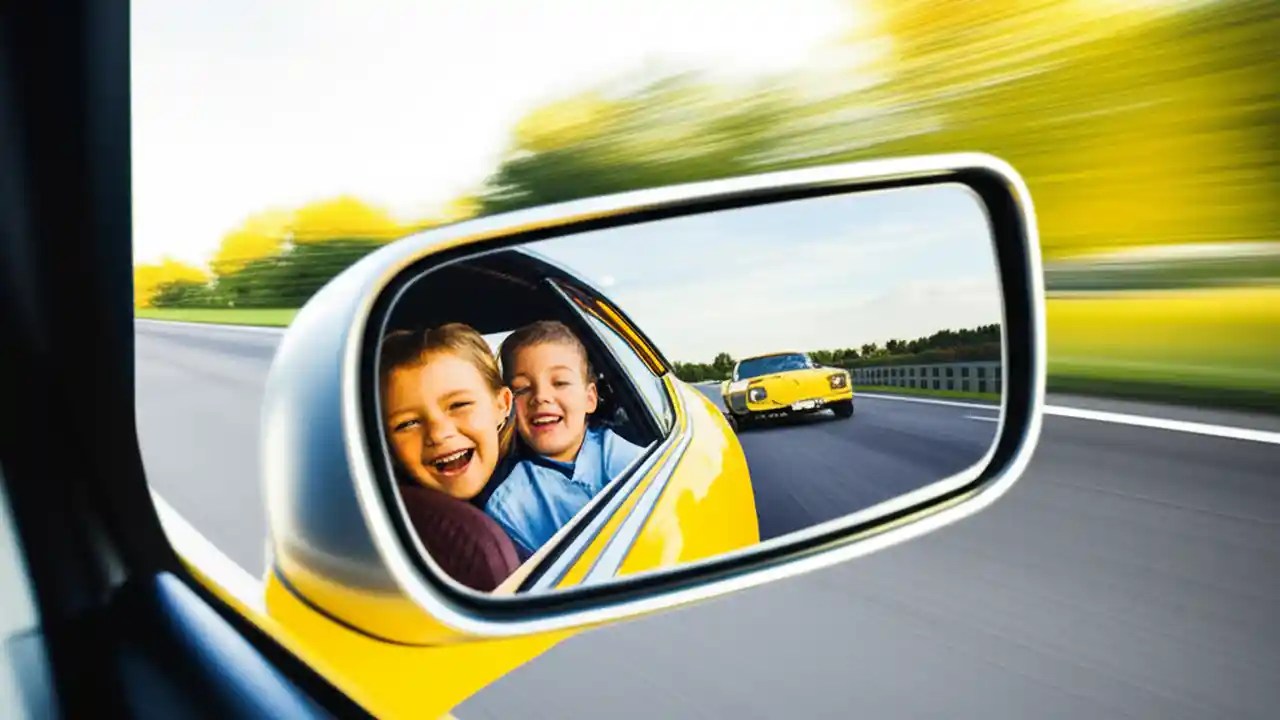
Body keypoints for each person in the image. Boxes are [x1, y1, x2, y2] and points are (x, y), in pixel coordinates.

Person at [480, 320, 645, 557]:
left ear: (590, 399)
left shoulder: (617, 451)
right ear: (506, 404)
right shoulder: (509, 503)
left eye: (560, 383)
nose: (541, 397)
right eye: (522, 389)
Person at [379, 324, 521, 592]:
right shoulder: (418, 531)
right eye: (407, 423)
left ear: (501, 405)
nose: (439, 433)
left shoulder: (538, 483)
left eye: (459, 405)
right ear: (386, 442)